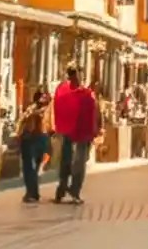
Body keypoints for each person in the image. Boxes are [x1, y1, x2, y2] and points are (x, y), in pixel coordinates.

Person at [52, 66, 99, 205]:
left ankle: (67, 191)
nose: (77, 78)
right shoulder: (83, 93)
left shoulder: (63, 91)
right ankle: (69, 191)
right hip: (76, 133)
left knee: (70, 162)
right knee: (74, 163)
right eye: (76, 75)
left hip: (76, 132)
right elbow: (94, 112)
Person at [17, 88, 53, 204]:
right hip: (42, 139)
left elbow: (22, 121)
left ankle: (31, 193)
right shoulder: (48, 110)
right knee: (35, 168)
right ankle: (34, 192)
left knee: (30, 168)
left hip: (30, 139)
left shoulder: (32, 109)